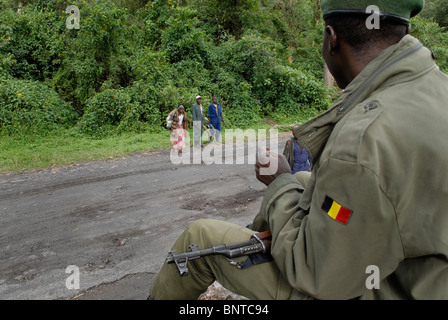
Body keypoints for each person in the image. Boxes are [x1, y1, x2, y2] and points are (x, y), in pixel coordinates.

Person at [151, 0, 448, 300]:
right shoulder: (437, 87)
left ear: (332, 39)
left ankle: (260, 243)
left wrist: (279, 181)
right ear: (406, 29)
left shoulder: (363, 137)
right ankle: (262, 237)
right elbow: (347, 207)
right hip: (420, 270)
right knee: (306, 181)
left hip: (372, 286)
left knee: (198, 242)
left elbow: (319, 272)